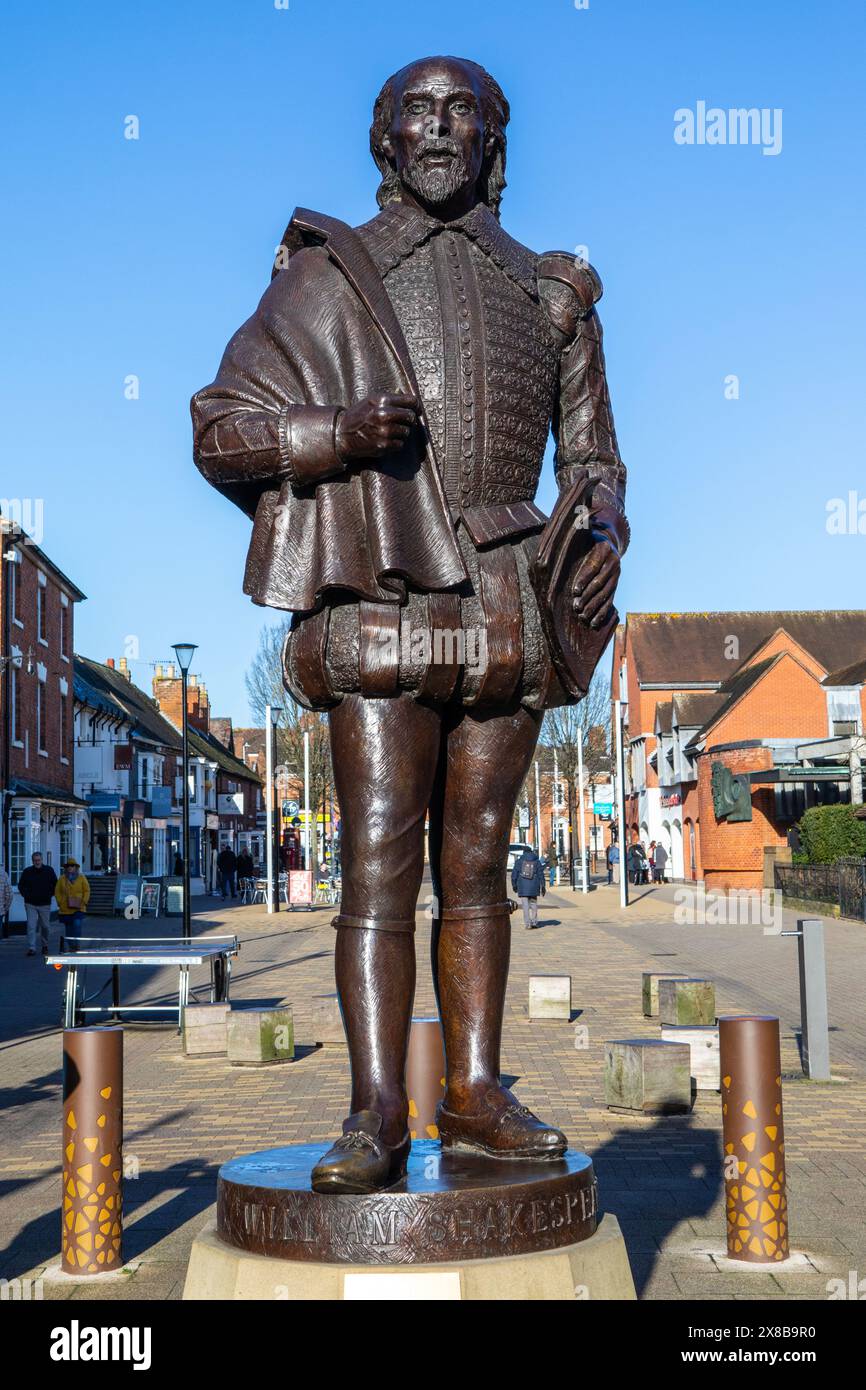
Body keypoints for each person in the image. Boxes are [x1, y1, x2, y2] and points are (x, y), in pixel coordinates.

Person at [191, 55, 627, 1194]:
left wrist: (603, 534)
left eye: (461, 112)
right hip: (381, 592)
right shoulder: (326, 278)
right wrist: (332, 432)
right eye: (415, 114)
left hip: (508, 603)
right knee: (380, 862)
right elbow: (218, 430)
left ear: (493, 137)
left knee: (478, 862)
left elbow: (593, 457)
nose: (439, 131)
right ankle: (376, 1106)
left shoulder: (550, 294)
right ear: (385, 141)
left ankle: (473, 1088)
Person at [18, 851, 58, 956]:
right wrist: (26, 895)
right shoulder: (27, 871)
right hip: (30, 903)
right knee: (31, 926)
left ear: (42, 860)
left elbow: (55, 884)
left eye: (38, 860)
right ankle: (32, 948)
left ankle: (45, 945)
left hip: (45, 903)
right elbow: (21, 885)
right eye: (35, 860)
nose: (37, 862)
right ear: (32, 861)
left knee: (45, 926)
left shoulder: (49, 871)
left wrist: (49, 894)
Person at [55, 859, 90, 946]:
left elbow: (87, 890)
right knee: (68, 928)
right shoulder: (62, 878)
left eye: (72, 866)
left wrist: (84, 901)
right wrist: (59, 902)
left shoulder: (81, 877)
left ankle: (76, 944)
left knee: (77, 924)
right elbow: (57, 891)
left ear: (76, 867)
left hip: (79, 906)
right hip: (65, 908)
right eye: (68, 866)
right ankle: (71, 945)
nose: (70, 867)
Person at [511, 847, 546, 930]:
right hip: (534, 885)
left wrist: (514, 885)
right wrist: (543, 886)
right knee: (533, 904)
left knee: (525, 906)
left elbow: (514, 875)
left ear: (524, 852)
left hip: (522, 886)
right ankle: (534, 922)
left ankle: (528, 924)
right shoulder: (537, 861)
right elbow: (541, 875)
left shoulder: (519, 862)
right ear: (531, 852)